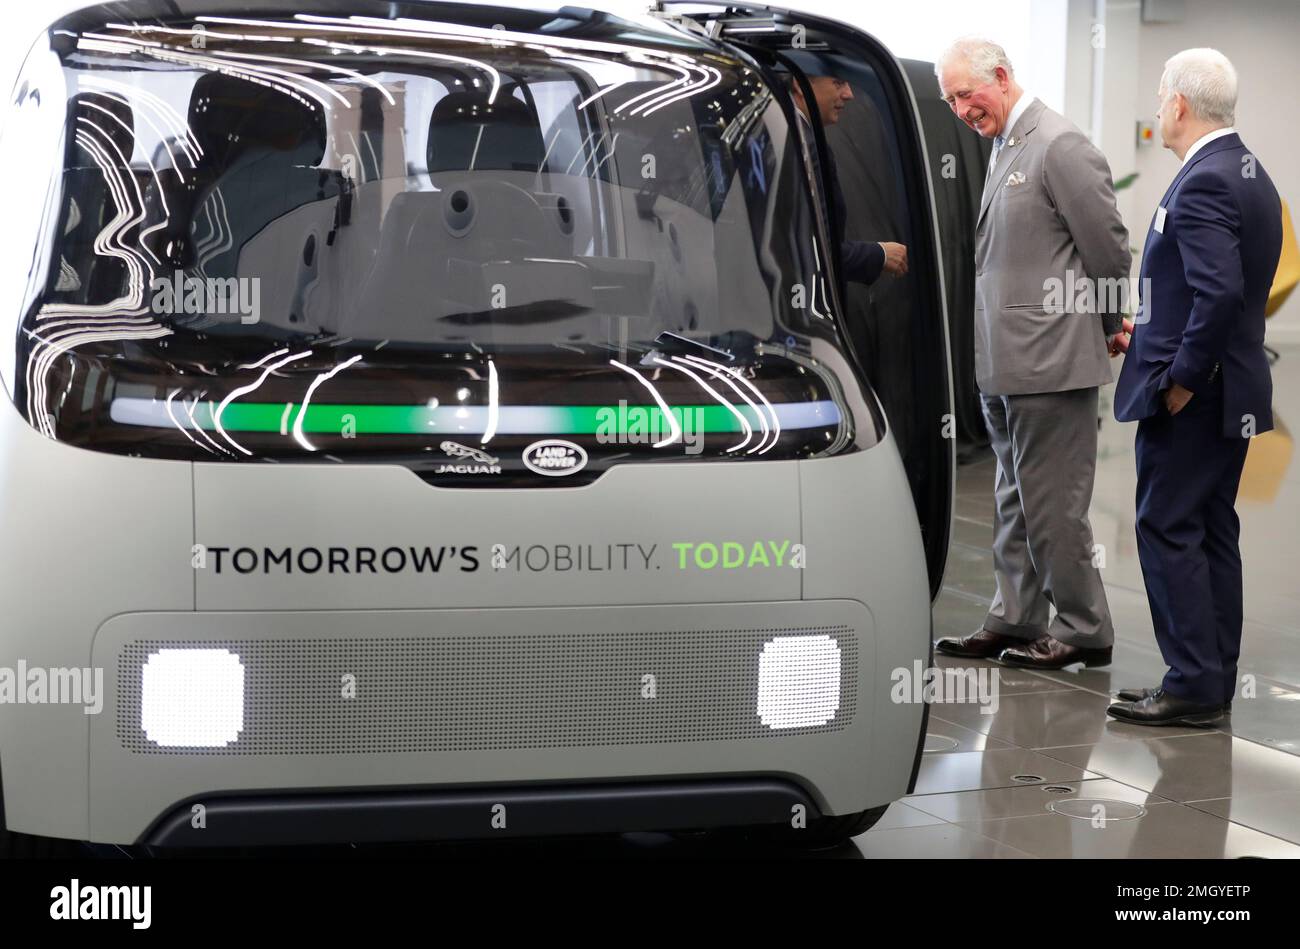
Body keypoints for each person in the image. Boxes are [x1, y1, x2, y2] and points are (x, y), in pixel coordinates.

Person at [932, 38, 1129, 670]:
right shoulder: (1006, 147)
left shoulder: (1058, 143)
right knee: (1014, 496)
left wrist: (1105, 322)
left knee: (1052, 503)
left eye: (967, 93)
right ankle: (1014, 617)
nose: (962, 108)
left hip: (1051, 360)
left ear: (1003, 77)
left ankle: (1084, 627)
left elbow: (1107, 248)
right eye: (951, 100)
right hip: (1005, 360)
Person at [1109, 49, 1282, 726]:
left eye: (1159, 100)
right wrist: (1149, 332)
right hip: (1230, 389)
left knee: (1167, 524)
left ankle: (1190, 683)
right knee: (1211, 529)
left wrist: (1179, 377)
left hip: (1197, 396)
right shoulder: (1249, 173)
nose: (1157, 112)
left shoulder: (1206, 178)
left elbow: (1219, 294)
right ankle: (1209, 682)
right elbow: (1207, 294)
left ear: (1179, 104)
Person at [788, 73, 908, 283]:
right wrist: (880, 254)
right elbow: (815, 253)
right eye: (838, 82)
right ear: (800, 84)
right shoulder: (806, 146)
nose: (849, 94)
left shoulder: (776, 134)